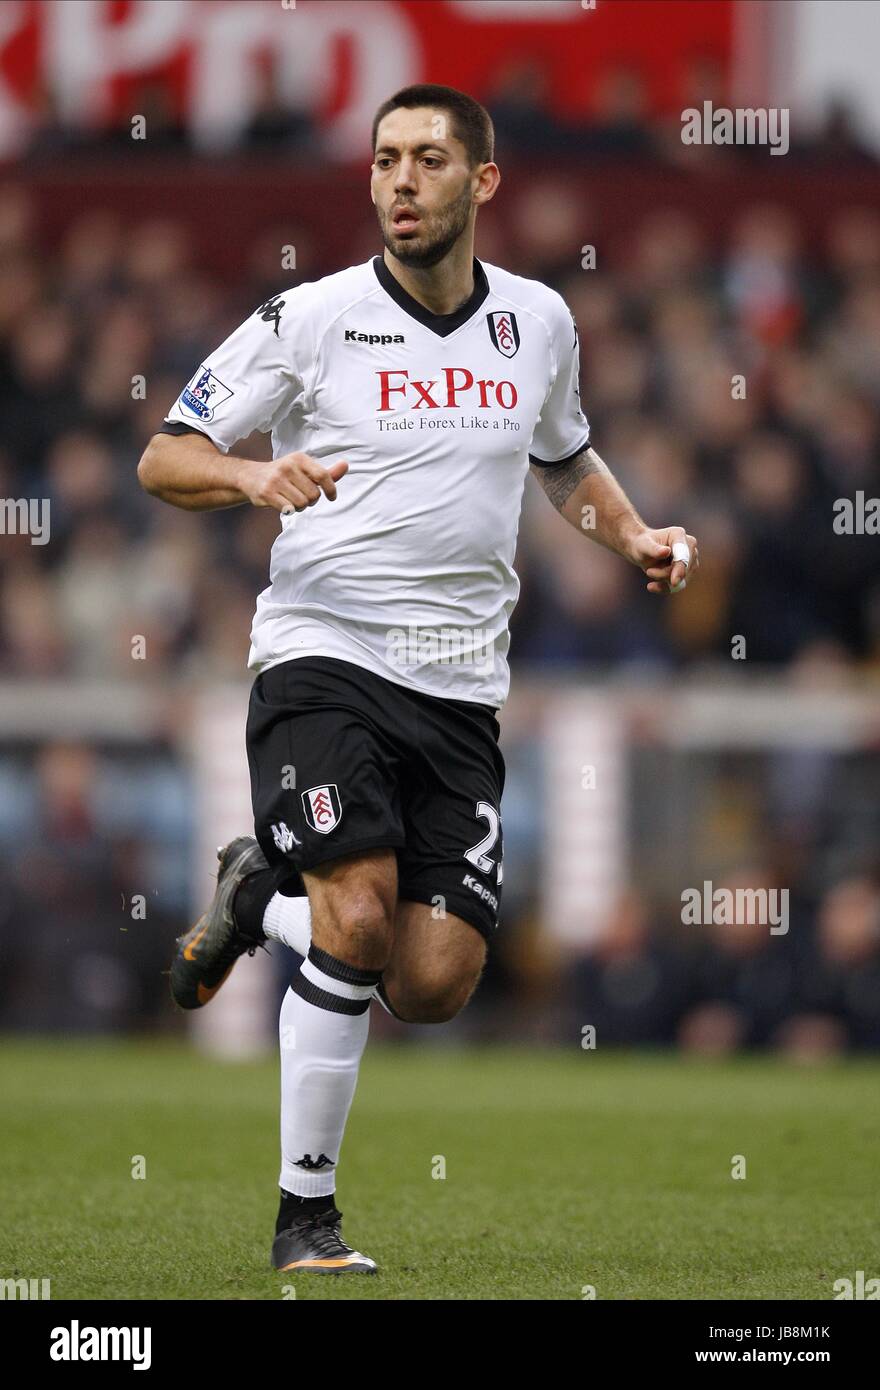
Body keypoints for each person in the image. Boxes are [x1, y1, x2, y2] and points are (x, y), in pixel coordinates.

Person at [137, 83, 699, 1276]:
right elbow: (163, 453)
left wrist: (635, 535)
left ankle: (257, 898)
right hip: (322, 655)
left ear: (480, 183)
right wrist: (252, 481)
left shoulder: (539, 324)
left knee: (433, 980)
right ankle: (306, 1220)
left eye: (429, 159)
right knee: (358, 910)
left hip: (459, 690)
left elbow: (564, 460)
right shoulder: (310, 317)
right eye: (385, 158)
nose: (400, 180)